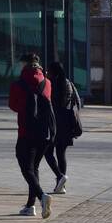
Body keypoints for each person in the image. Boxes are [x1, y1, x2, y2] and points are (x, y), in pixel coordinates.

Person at [7, 53, 54, 218]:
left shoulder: (19, 84)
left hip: (26, 131)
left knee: (26, 166)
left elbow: (13, 105)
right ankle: (30, 206)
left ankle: (42, 196)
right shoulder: (47, 82)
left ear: (25, 64)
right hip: (46, 133)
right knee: (34, 167)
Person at [43, 60, 80, 194]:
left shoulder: (51, 84)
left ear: (53, 72)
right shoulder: (68, 83)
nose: (46, 73)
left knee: (47, 152)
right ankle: (61, 186)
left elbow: (48, 104)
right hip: (67, 124)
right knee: (61, 154)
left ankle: (60, 177)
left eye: (48, 71)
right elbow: (78, 103)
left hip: (54, 123)